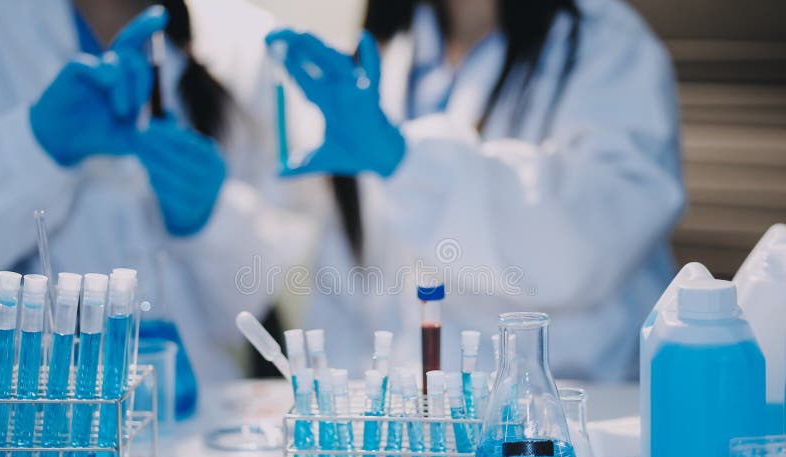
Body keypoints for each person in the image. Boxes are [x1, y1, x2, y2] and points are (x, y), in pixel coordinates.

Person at [267, 0, 686, 380]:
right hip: (415, 431)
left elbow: (591, 241)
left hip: (566, 420)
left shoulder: (607, 46)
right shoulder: (384, 51)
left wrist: (408, 163)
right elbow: (349, 280)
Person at [0, 0, 313, 403]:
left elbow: (255, 303)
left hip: (200, 423)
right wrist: (33, 149)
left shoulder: (247, 43)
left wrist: (208, 222)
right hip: (33, 428)